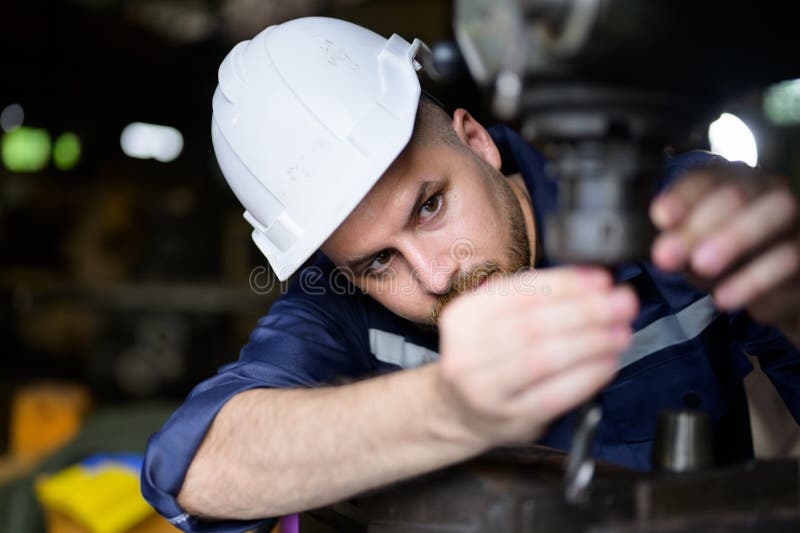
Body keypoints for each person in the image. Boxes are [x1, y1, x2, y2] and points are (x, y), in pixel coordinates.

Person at [140, 17, 800, 533]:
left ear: (476, 139)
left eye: (429, 205)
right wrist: (452, 405)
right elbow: (196, 465)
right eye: (378, 261)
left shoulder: (684, 218)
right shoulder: (339, 304)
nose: (433, 276)